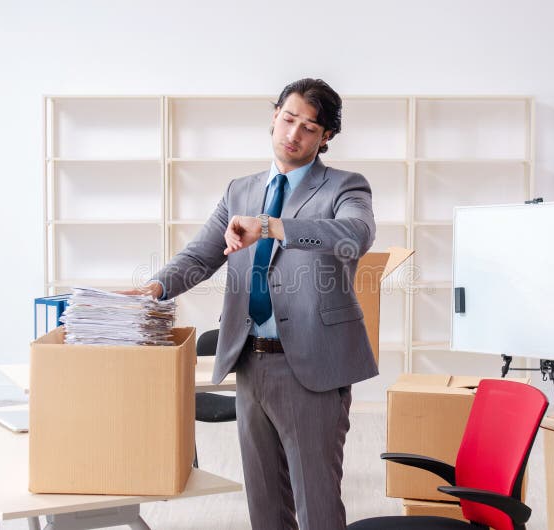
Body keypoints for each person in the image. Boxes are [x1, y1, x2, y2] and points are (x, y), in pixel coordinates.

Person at [127, 78, 377, 530]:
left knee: (316, 506)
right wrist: (154, 289)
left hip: (312, 370)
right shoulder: (239, 190)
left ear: (326, 138)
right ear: (273, 116)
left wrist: (271, 226)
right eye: (288, 119)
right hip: (249, 363)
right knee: (265, 507)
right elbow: (201, 255)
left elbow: (354, 236)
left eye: (309, 127)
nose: (294, 134)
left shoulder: (346, 187)